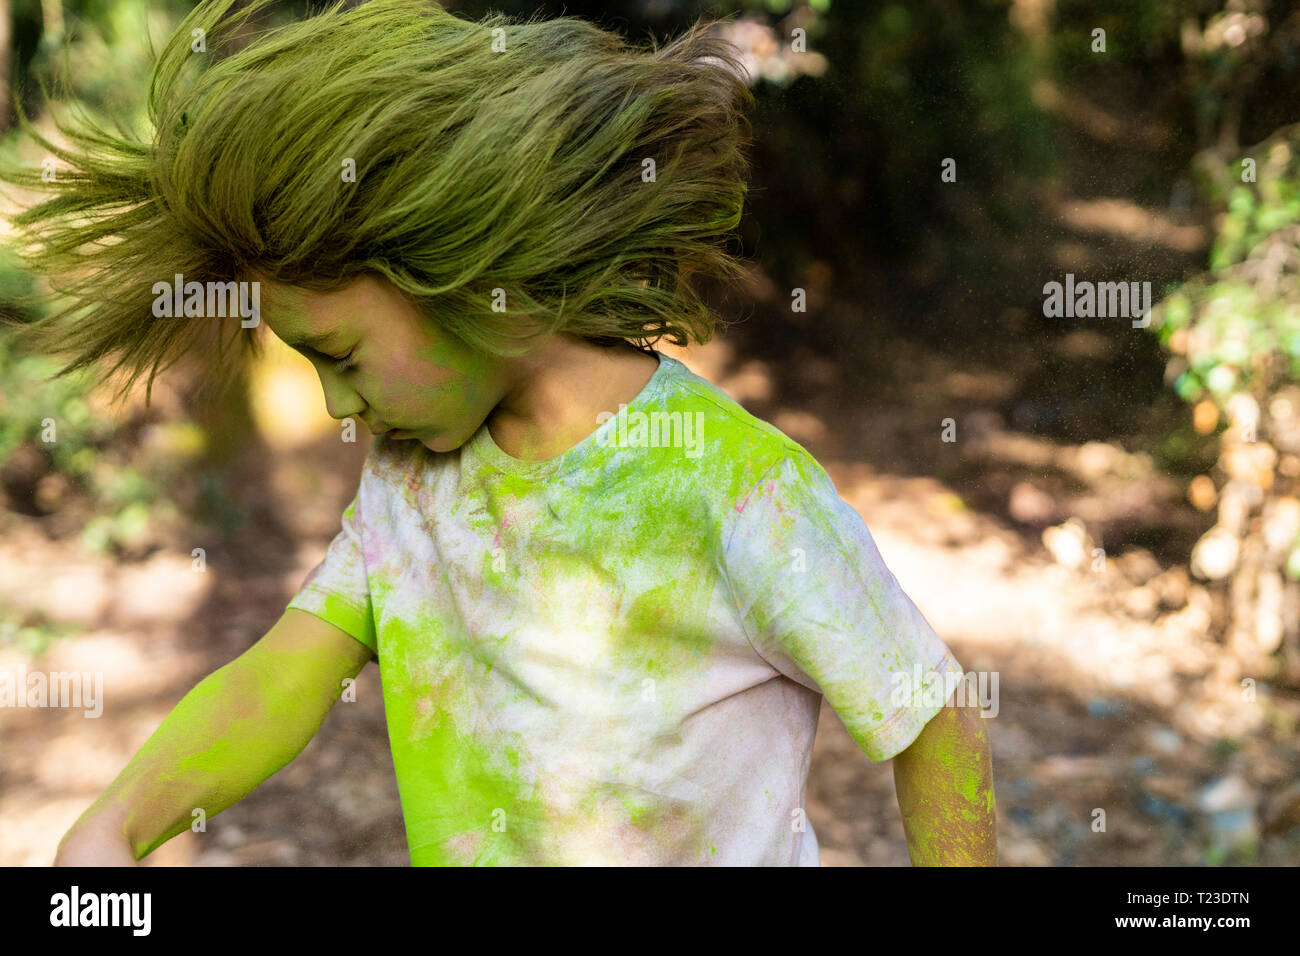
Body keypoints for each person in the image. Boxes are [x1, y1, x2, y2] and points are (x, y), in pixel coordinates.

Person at [5, 0, 995, 866]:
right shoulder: (412, 479)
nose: (339, 407)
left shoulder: (736, 487)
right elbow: (279, 677)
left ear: (476, 287)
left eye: (342, 353)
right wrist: (119, 820)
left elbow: (933, 717)